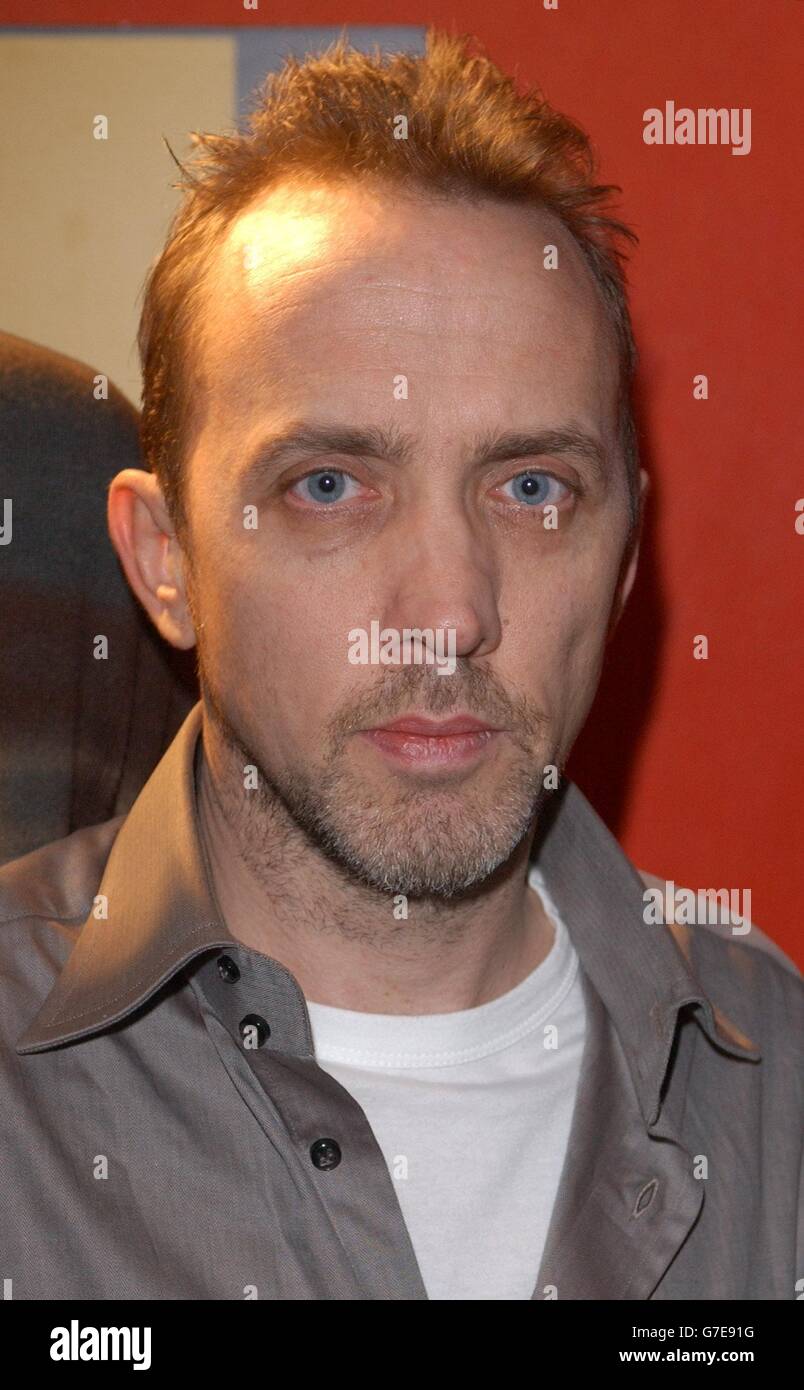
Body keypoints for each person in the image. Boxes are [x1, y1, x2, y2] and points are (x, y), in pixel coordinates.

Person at [1, 29, 800, 1302]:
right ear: (166, 561)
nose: (447, 610)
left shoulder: (786, 1095)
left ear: (626, 559)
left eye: (532, 487)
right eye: (329, 485)